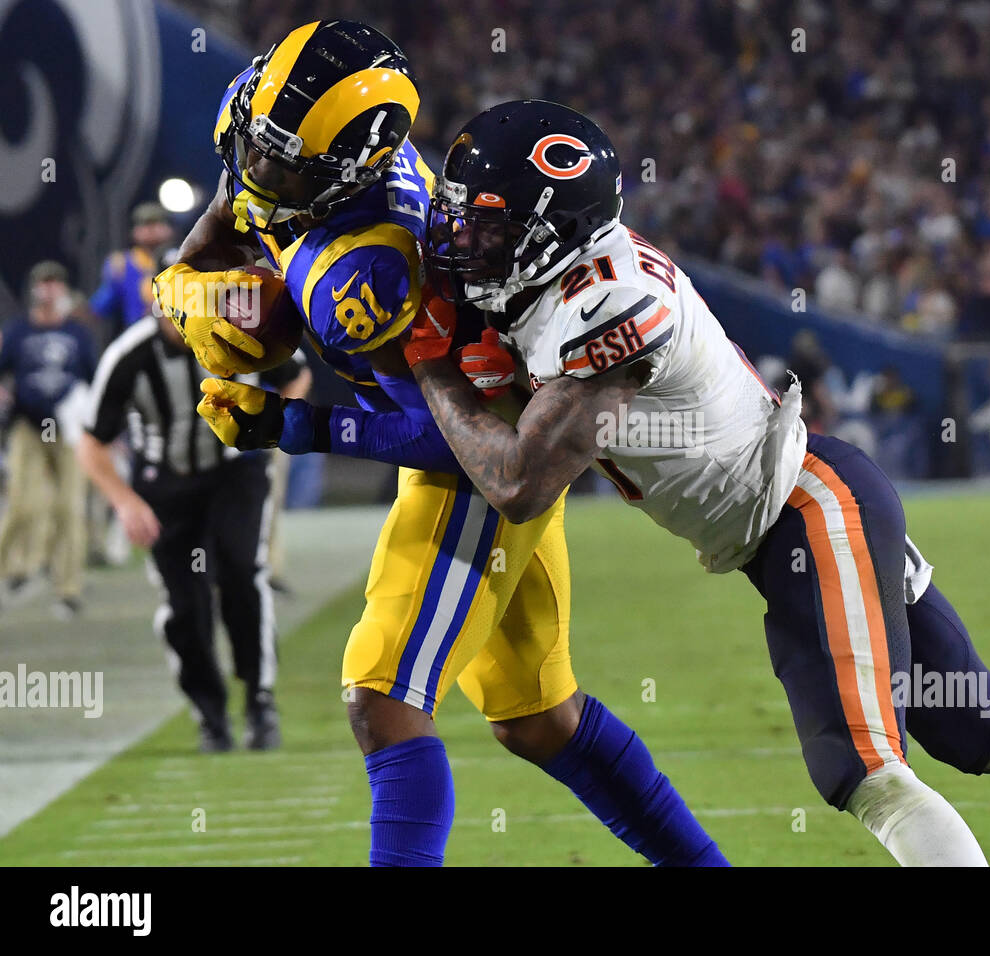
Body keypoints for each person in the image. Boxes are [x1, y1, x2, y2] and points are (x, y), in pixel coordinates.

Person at [406, 99, 990, 867]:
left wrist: (434, 369)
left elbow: (520, 484)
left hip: (802, 515)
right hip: (810, 503)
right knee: (985, 726)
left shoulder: (604, 310)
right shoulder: (560, 271)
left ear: (549, 231)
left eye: (486, 222)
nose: (463, 236)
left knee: (866, 774)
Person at [153, 19, 723, 865]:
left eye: (281, 159)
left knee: (384, 698)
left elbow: (454, 439)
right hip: (482, 441)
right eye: (257, 143)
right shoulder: (290, 150)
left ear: (349, 164)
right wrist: (192, 296)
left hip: (480, 462)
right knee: (538, 718)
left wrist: (298, 425)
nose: (256, 166)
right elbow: (222, 228)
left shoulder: (369, 273)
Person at [77, 303, 305, 751]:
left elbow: (295, 372)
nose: (184, 317)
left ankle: (259, 700)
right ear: (156, 307)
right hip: (165, 486)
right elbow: (91, 440)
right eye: (175, 308)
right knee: (185, 603)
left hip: (233, 474)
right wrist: (125, 502)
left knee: (242, 573)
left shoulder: (240, 330)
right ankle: (210, 713)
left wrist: (275, 422)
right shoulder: (130, 355)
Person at [0, 261, 98, 617]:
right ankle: (11, 567)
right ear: (34, 288)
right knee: (23, 505)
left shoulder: (78, 333)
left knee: (70, 508)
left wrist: (101, 429)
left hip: (69, 430)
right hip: (28, 426)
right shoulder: (18, 331)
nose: (50, 288)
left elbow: (96, 380)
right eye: (44, 282)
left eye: (56, 282)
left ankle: (68, 588)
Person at [88, 202, 176, 342]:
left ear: (169, 229)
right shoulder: (123, 264)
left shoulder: (181, 259)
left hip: (176, 336)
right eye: (146, 225)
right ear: (135, 232)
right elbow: (99, 308)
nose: (151, 230)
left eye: (157, 224)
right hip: (138, 337)